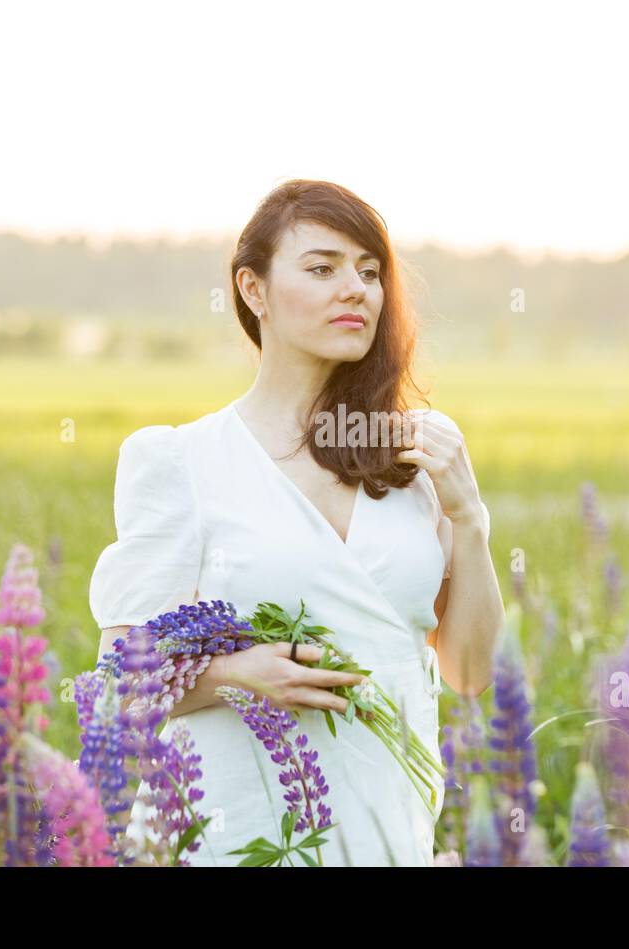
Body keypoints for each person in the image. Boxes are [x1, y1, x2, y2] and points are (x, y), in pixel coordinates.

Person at [89, 179, 504, 866]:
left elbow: (467, 671)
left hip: (385, 833)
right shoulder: (182, 462)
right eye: (323, 268)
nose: (357, 290)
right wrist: (239, 675)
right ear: (254, 290)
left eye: (371, 273)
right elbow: (116, 684)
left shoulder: (409, 460)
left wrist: (470, 515)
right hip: (231, 834)